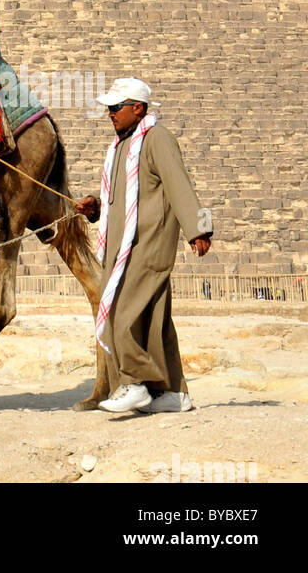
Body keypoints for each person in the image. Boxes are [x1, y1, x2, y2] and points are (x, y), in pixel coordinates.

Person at [74, 77, 213, 415]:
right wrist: (96, 207)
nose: (110, 113)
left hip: (147, 243)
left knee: (120, 312)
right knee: (154, 319)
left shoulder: (157, 139)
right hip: (123, 246)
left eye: (115, 107)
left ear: (138, 108)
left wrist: (199, 229)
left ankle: (134, 383)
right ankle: (172, 392)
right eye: (108, 108)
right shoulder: (123, 145)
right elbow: (123, 198)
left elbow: (179, 182)